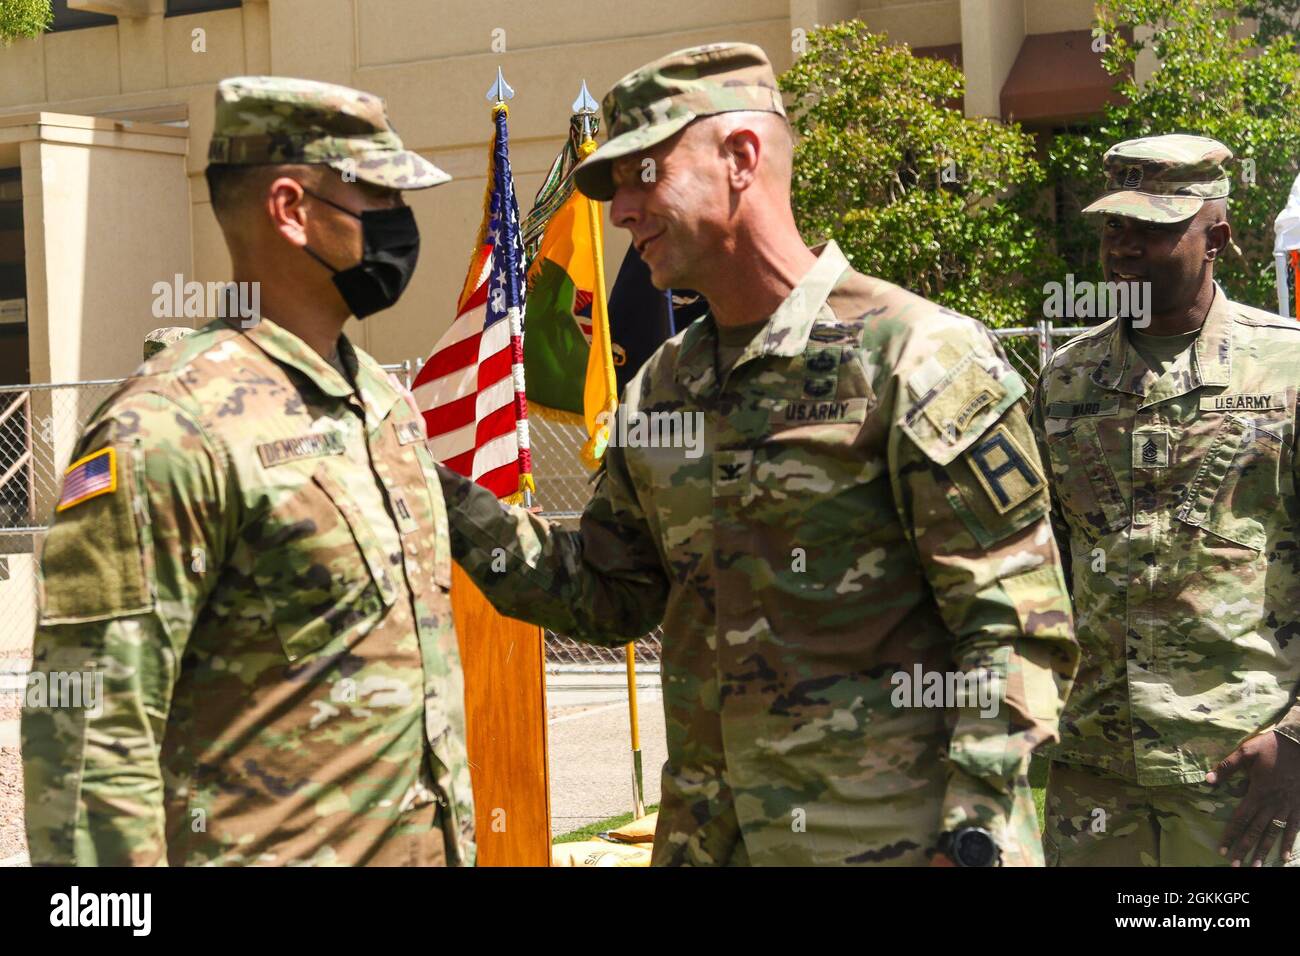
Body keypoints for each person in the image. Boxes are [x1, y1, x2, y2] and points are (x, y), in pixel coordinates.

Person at [438, 42, 1078, 866]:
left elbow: (1017, 627)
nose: (621, 211)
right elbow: (607, 594)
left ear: (740, 157)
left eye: (643, 176)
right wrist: (442, 502)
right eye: (612, 189)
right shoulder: (665, 386)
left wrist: (977, 834)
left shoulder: (916, 356)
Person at [22, 76, 474, 866]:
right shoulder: (166, 427)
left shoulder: (379, 404)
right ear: (293, 210)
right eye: (376, 195)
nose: (401, 223)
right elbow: (91, 734)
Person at [1031, 133, 1300, 867]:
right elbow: (1036, 567)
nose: (1122, 248)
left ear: (1216, 236)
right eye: (1113, 226)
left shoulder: (1287, 366)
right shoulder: (1066, 381)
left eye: (1150, 228)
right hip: (1095, 773)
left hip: (1244, 772)